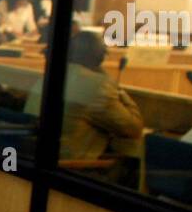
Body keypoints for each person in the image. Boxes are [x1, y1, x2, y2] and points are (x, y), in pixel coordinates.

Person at [26, 31, 144, 162]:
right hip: (71, 168)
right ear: (101, 58)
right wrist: (117, 88)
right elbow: (133, 128)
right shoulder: (97, 85)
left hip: (36, 156)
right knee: (132, 165)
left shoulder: (51, 74)